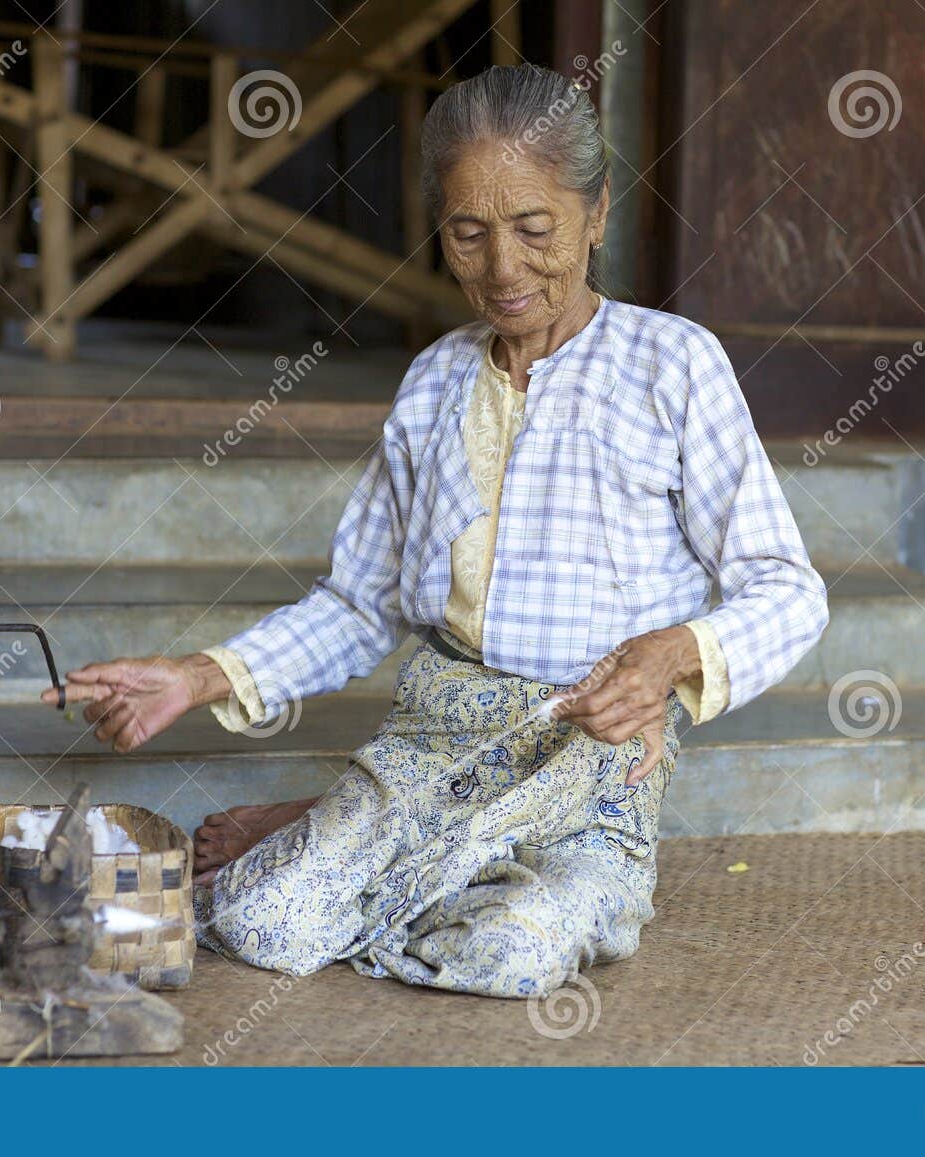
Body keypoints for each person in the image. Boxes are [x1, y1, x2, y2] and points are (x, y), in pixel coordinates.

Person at [46, 63, 829, 998]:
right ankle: (362, 831)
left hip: (586, 765)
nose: (502, 269)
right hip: (435, 736)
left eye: (535, 229)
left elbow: (790, 587)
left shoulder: (674, 364)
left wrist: (667, 657)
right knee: (260, 921)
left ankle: (348, 834)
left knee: (513, 951)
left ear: (596, 214)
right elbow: (358, 601)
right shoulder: (432, 382)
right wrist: (197, 675)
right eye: (468, 233)